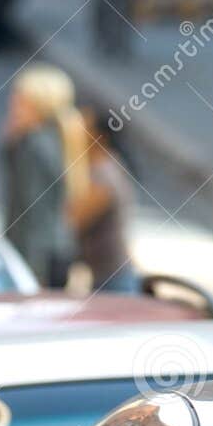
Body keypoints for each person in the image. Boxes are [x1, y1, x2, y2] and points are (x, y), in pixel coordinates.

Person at [1, 65, 86, 289]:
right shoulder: (54, 137)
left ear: (40, 107)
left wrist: (32, 271)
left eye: (20, 102)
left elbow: (34, 210)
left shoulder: (35, 145)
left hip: (37, 257)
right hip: (56, 251)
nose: (13, 107)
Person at [68, 106, 138, 294]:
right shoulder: (100, 167)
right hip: (105, 275)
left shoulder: (104, 175)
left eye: (84, 129)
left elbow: (74, 220)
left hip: (113, 279)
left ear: (99, 137)